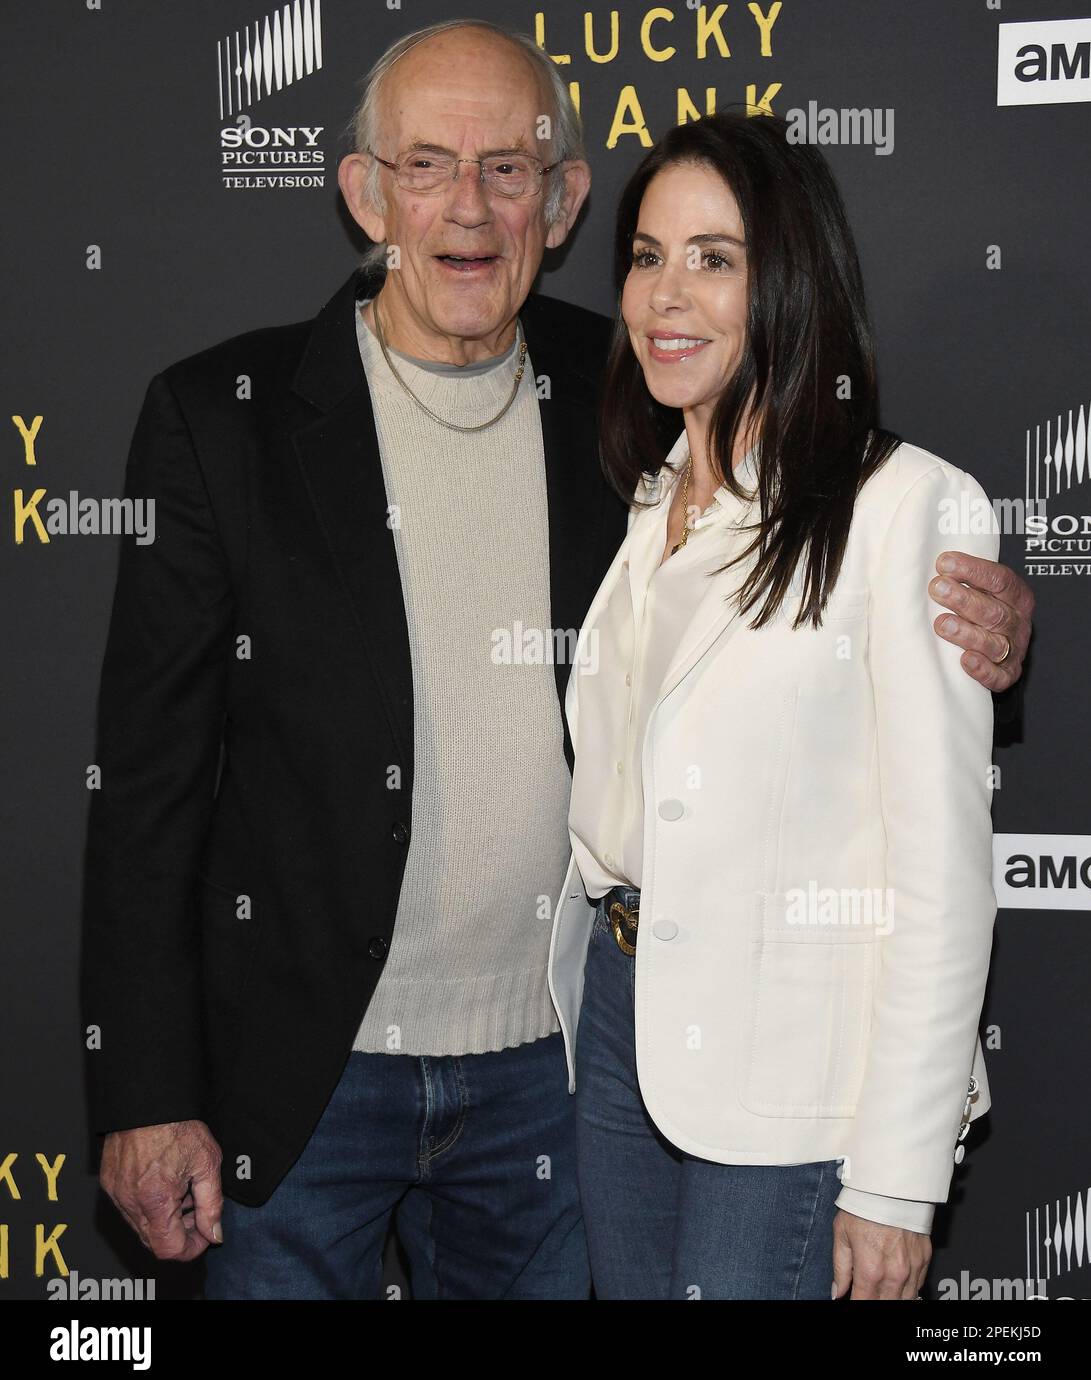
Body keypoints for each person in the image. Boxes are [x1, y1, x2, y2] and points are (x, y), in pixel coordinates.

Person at [82, 20, 1032, 1301]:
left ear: (563, 198)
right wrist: (146, 1089)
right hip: (302, 1077)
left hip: (554, 1070)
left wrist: (967, 599)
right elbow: (143, 790)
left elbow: (816, 463)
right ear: (365, 194)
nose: (468, 207)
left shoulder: (622, 384)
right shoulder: (220, 421)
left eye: (510, 167)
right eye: (425, 165)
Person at [548, 111, 1010, 1301]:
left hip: (793, 1063)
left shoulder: (906, 508)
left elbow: (942, 872)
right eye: (646, 256)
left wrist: (898, 1176)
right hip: (617, 1023)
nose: (664, 295)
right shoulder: (646, 500)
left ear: (790, 279)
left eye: (714, 258)